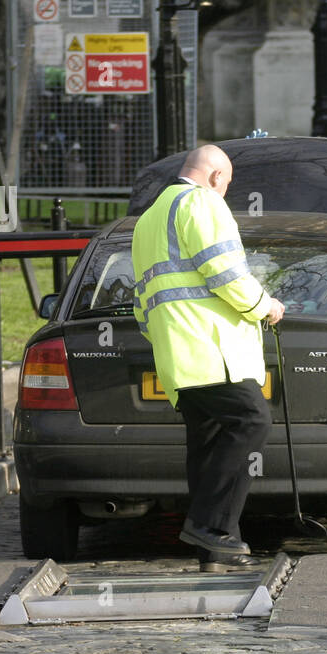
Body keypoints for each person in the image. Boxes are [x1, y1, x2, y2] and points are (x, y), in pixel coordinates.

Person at [131, 145, 286, 571]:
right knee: (252, 421)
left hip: (178, 356)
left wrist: (165, 335)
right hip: (214, 350)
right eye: (228, 185)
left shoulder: (147, 220)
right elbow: (225, 271)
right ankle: (209, 526)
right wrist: (263, 305)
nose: (226, 193)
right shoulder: (199, 202)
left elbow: (142, 300)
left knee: (208, 440)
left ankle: (215, 549)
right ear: (216, 176)